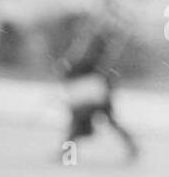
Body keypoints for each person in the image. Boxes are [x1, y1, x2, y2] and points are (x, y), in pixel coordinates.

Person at [58, 11, 139, 161]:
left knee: (79, 122)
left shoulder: (94, 45)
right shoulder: (93, 44)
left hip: (93, 89)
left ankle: (66, 154)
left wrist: (70, 71)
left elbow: (90, 65)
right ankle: (132, 146)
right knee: (103, 120)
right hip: (95, 89)